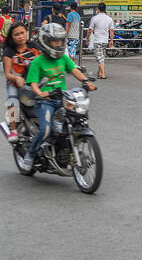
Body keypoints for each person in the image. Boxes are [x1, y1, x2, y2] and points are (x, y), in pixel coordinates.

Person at [20, 22, 96, 171]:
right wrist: (40, 93)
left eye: (60, 41)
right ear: (45, 42)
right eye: (54, 41)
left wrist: (86, 82)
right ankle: (30, 155)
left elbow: (74, 70)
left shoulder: (63, 59)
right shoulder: (37, 62)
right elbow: (33, 84)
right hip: (45, 102)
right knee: (46, 130)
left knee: (74, 121)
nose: (58, 44)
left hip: (62, 99)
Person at [1, 22, 39, 143]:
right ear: (12, 37)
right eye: (17, 34)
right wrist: (17, 78)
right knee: (12, 100)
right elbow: (8, 74)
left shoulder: (34, 46)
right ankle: (13, 129)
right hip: (15, 83)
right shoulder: (8, 51)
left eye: (22, 33)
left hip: (34, 81)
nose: (21, 36)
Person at [87, 1, 115, 80]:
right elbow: (111, 31)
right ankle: (99, 72)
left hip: (97, 40)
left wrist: (87, 38)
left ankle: (103, 74)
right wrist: (111, 40)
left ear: (98, 9)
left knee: (99, 58)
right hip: (105, 40)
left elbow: (90, 30)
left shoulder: (95, 18)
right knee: (101, 57)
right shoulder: (109, 19)